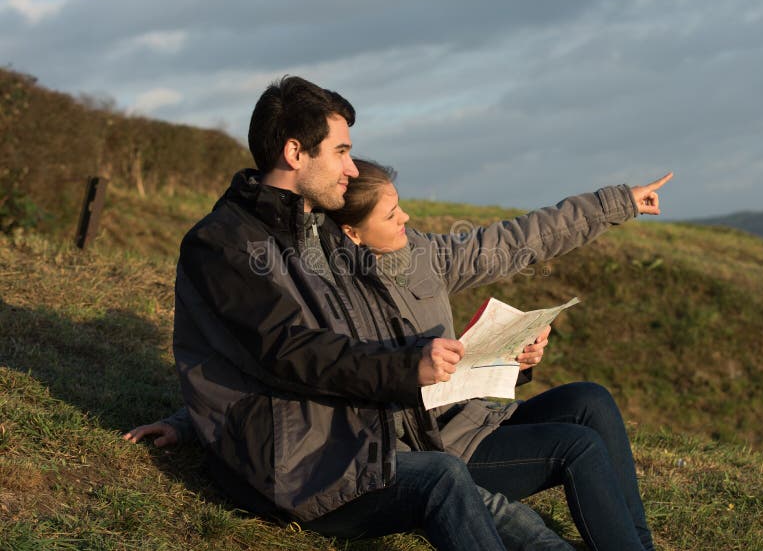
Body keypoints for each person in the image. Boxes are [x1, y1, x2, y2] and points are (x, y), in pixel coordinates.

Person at [132, 143, 670, 549]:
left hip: (469, 416)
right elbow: (282, 368)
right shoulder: (324, 292)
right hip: (431, 444)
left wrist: (615, 204)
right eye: (391, 215)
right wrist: (186, 423)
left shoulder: (423, 257)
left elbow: (515, 240)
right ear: (352, 234)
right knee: (576, 447)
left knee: (590, 400)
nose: (407, 220)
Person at [168, 75, 563, 551]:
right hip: (292, 463)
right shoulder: (222, 243)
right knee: (444, 479)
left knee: (515, 499)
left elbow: (374, 329)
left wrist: (483, 358)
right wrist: (406, 365)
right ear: (295, 153)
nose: (352, 169)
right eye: (341, 152)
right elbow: (285, 349)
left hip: (350, 436)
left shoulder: (320, 233)